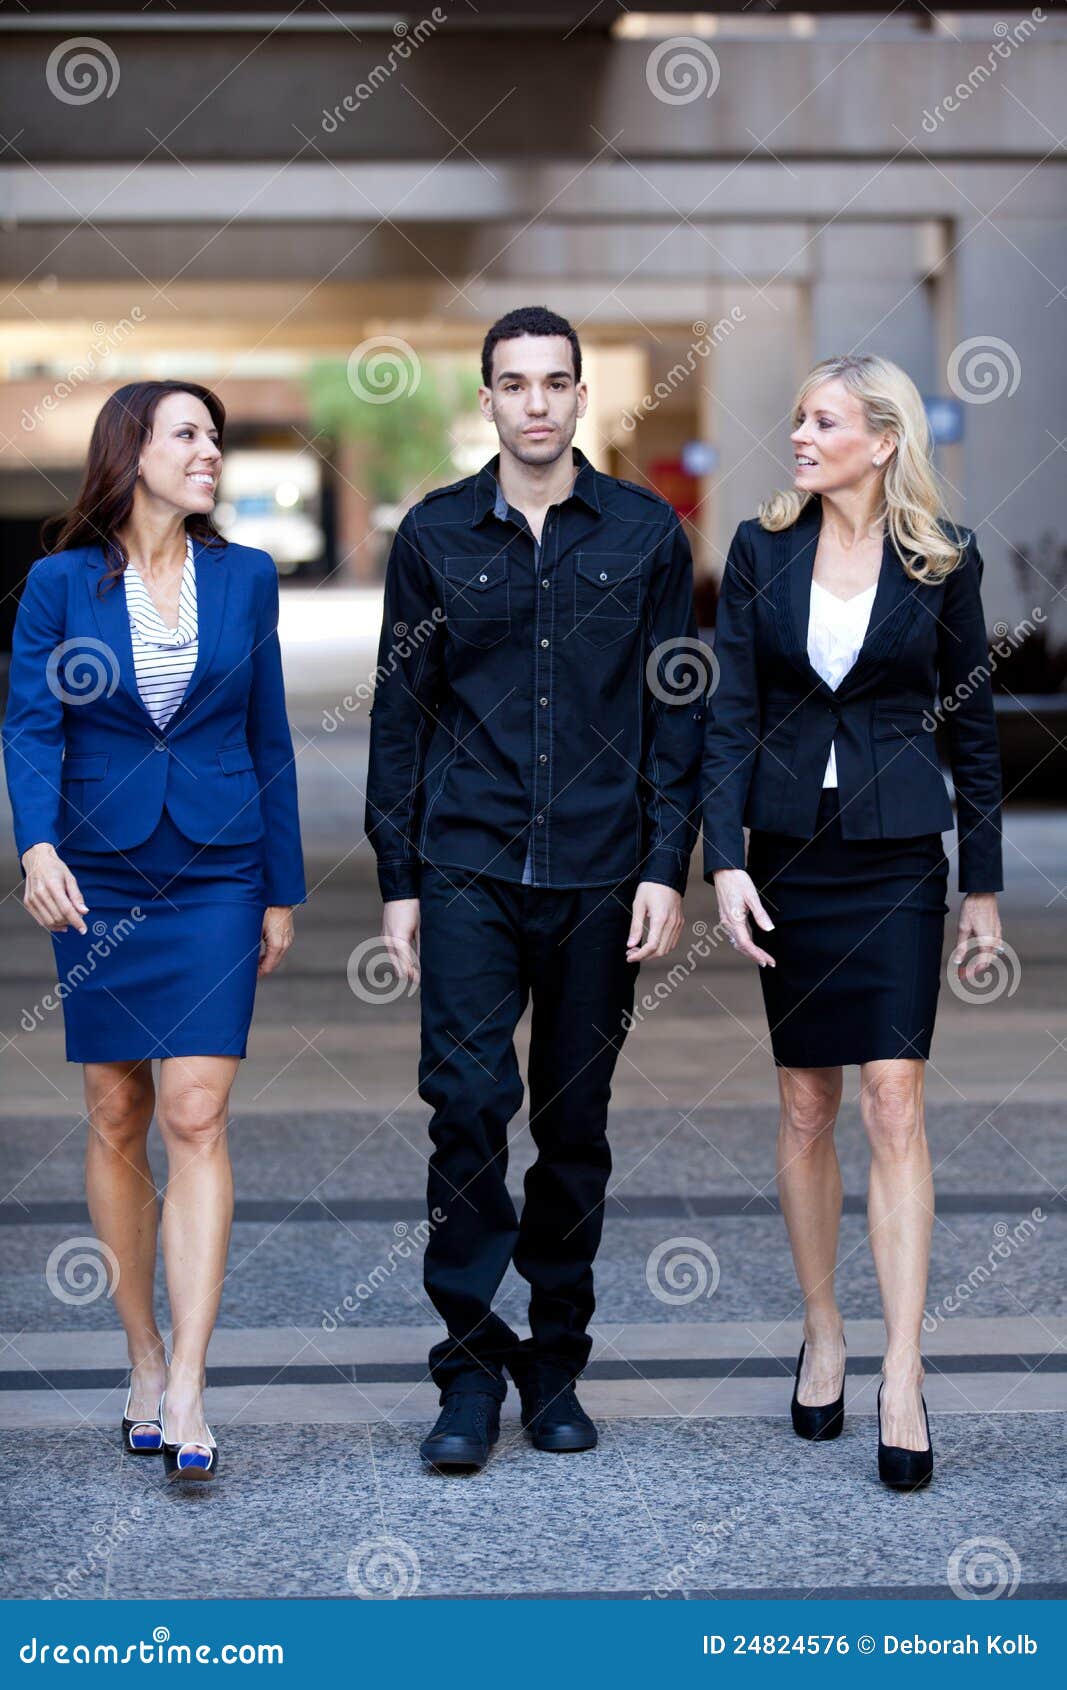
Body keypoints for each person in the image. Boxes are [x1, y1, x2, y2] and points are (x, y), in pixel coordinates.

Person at [365, 305, 703, 1470]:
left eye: (556, 383)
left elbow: (679, 708)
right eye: (515, 384)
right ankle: (466, 1374)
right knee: (464, 1112)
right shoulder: (433, 535)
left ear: (576, 397)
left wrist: (668, 863)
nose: (538, 403)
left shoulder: (648, 534)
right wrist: (397, 878)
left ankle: (554, 1367)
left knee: (574, 1127)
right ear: (488, 398)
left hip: (603, 872)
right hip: (466, 866)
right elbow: (399, 715)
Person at [702, 353, 1004, 1491]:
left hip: (892, 858)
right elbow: (729, 711)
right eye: (793, 419)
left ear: (880, 440)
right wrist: (720, 860)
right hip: (787, 850)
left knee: (891, 1094)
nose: (797, 435)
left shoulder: (942, 560)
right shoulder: (757, 551)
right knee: (802, 1096)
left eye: (819, 420)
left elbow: (971, 734)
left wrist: (978, 885)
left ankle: (902, 1369)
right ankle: (823, 1328)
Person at [3, 381, 306, 1483]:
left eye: (216, 437)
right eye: (190, 435)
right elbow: (32, 722)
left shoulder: (246, 578)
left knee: (195, 1109)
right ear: (132, 452)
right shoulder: (58, 584)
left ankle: (189, 1383)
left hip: (217, 867)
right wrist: (37, 845)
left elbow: (268, 730)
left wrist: (281, 886)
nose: (211, 452)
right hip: (100, 872)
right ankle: (140, 1354)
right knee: (116, 1105)